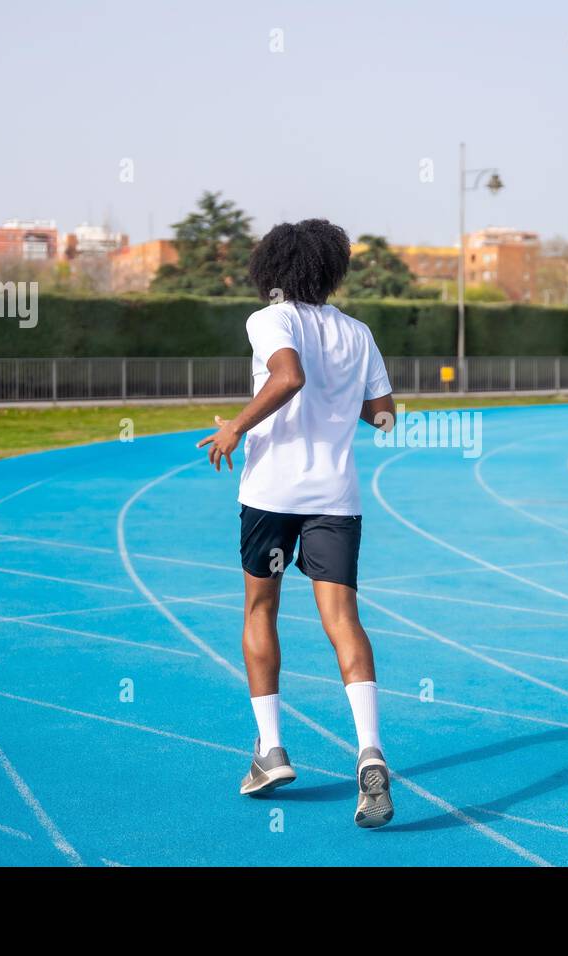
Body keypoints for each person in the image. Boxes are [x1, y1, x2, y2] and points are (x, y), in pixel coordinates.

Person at [197, 219, 397, 827]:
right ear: (330, 268)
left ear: (272, 268)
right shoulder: (357, 331)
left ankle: (272, 750)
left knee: (261, 610)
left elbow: (288, 376)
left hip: (272, 493)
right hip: (335, 495)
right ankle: (370, 750)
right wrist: (345, 403)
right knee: (343, 621)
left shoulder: (270, 318)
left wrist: (235, 425)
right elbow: (384, 417)